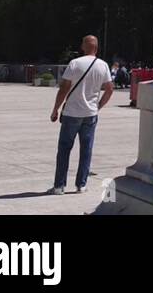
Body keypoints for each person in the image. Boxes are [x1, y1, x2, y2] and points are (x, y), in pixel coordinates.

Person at [48, 35, 114, 194]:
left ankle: (59, 186)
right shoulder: (103, 65)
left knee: (64, 149)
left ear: (83, 47)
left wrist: (55, 109)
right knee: (86, 149)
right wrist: (98, 106)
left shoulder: (75, 63)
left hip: (72, 113)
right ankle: (81, 185)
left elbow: (64, 88)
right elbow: (110, 88)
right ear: (96, 48)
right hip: (90, 114)